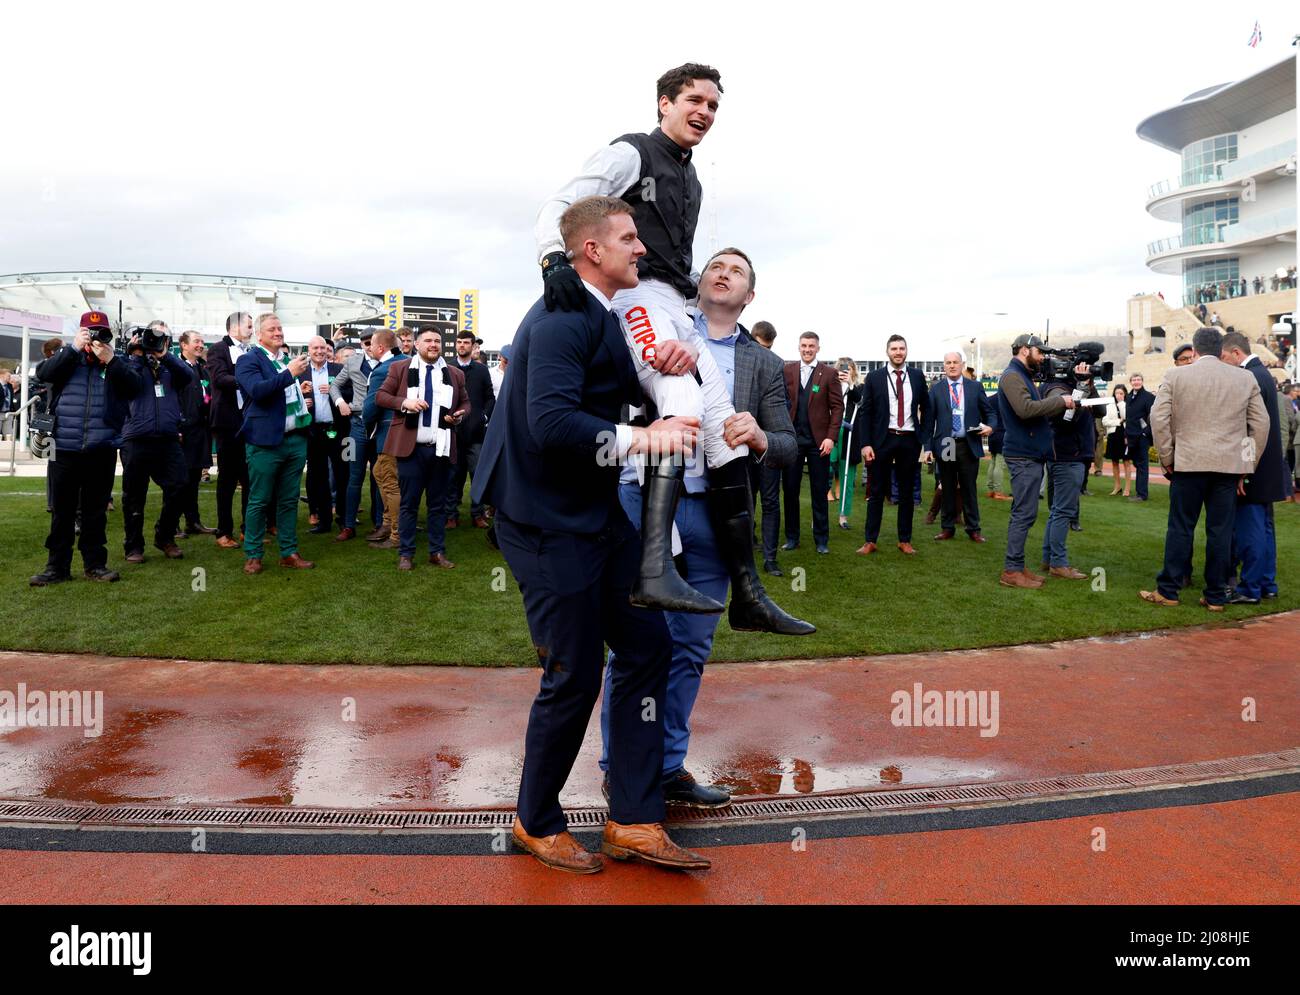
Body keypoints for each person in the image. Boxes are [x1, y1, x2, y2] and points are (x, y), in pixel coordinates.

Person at [473, 195, 710, 873]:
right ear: (592, 251)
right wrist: (644, 435)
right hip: (543, 522)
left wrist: (658, 375)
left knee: (647, 645)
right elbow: (552, 427)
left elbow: (596, 397)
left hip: (592, 514)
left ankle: (634, 818)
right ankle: (534, 818)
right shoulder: (557, 318)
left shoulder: (597, 314)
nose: (643, 249)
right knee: (573, 671)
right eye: (631, 239)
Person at [535, 63, 806, 632]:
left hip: (678, 306)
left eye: (713, 105)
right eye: (694, 100)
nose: (704, 112)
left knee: (724, 427)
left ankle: (748, 593)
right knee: (681, 405)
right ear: (664, 103)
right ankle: (654, 568)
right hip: (640, 299)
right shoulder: (632, 152)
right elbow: (566, 200)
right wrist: (553, 259)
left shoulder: (693, 178)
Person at [598, 245, 806, 812]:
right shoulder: (653, 325)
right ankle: (621, 765)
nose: (723, 272)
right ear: (699, 280)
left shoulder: (764, 363)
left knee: (690, 648)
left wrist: (760, 437)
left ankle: (667, 766)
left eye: (737, 270)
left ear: (750, 296)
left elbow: (790, 446)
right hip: (646, 498)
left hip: (720, 515)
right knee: (638, 643)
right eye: (717, 264)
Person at [1141, 327, 1268, 611]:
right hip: (1226, 468)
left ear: (1195, 350)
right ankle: (1215, 596)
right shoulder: (1244, 378)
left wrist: (1167, 457)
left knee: (1180, 528)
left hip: (1188, 464)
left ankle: (1169, 591)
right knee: (1220, 532)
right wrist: (1246, 466)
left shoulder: (1176, 375)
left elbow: (1158, 418)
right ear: (1220, 349)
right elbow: (1260, 426)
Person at [29, 313, 133, 586]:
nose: (96, 337)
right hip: (63, 446)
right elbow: (43, 373)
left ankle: (95, 564)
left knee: (95, 512)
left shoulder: (115, 362)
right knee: (62, 511)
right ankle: (57, 567)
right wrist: (74, 348)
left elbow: (135, 387)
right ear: (81, 332)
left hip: (102, 446)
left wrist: (111, 359)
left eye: (101, 332)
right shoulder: (67, 356)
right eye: (91, 331)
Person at [374, 328, 469, 570]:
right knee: (409, 503)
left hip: (441, 448)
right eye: (428, 340)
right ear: (416, 344)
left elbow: (465, 402)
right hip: (411, 449)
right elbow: (381, 397)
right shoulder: (400, 369)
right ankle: (406, 553)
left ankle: (436, 552)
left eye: (437, 341)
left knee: (438, 505)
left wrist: (459, 415)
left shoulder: (455, 374)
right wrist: (404, 402)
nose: (433, 345)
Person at [234, 314, 315, 573]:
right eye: (272, 329)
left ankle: (289, 552)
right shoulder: (248, 360)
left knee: (289, 500)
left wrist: (297, 390)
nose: (278, 332)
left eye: (280, 328)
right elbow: (258, 391)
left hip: (295, 439)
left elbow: (280, 392)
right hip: (265, 442)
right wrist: (290, 374)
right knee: (259, 500)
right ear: (259, 335)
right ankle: (254, 554)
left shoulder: (282, 361)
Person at [995, 334, 1074, 588]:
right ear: (1025, 350)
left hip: (1029, 454)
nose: (1043, 358)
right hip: (1023, 455)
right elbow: (1025, 409)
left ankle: (1017, 566)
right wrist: (1059, 401)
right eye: (1040, 353)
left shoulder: (1021, 375)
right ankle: (1011, 570)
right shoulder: (1012, 376)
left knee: (1025, 513)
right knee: (1023, 514)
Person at [1222, 331, 1288, 604]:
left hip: (1256, 468)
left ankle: (1250, 588)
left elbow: (1253, 429)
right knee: (1265, 529)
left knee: (1252, 530)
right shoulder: (1264, 375)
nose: (1223, 363)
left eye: (1224, 357)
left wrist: (1245, 469)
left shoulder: (1249, 377)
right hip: (1271, 467)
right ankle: (1266, 583)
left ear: (1236, 353)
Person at [119, 321, 193, 563]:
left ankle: (164, 535)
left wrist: (164, 356)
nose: (154, 341)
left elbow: (188, 376)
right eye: (151, 336)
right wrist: (137, 355)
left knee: (180, 485)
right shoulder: (129, 362)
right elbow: (127, 384)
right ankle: (133, 546)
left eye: (161, 337)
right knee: (134, 494)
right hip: (136, 437)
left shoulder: (171, 366)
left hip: (168, 438)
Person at [855, 334, 928, 556]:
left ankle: (904, 539)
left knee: (907, 493)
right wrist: (865, 443)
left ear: (907, 351)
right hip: (882, 439)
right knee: (876, 491)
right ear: (887, 351)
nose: (898, 352)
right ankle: (870, 540)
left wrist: (924, 439)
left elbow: (927, 407)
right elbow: (865, 413)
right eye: (894, 348)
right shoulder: (875, 378)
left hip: (908, 438)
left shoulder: (917, 376)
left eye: (902, 348)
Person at [781, 332, 844, 554]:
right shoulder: (787, 370)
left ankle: (821, 539)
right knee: (790, 491)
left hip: (819, 443)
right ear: (798, 347)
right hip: (792, 441)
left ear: (818, 348)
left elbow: (837, 407)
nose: (807, 349)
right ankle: (792, 537)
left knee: (819, 492)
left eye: (811, 346)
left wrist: (831, 437)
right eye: (804, 345)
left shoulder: (828, 373)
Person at [921, 351, 993, 543]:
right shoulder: (936, 389)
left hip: (968, 443)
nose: (952, 366)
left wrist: (990, 426)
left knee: (969, 488)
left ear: (962, 365)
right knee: (948, 488)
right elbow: (928, 421)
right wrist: (927, 447)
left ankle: (973, 529)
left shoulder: (975, 387)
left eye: (955, 362)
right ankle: (947, 528)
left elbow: (989, 413)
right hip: (946, 443)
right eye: (948, 363)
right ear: (943, 366)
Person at [330, 330, 388, 541]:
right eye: (365, 342)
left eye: (372, 342)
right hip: (356, 428)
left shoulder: (390, 363)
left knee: (380, 477)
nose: (368, 346)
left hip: (381, 428)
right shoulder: (353, 362)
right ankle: (348, 525)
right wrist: (340, 403)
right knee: (353, 477)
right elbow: (335, 385)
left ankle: (381, 523)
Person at [1039, 362, 1096, 578]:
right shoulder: (1058, 388)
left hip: (1068, 455)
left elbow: (1099, 410)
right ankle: (1058, 564)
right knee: (1063, 511)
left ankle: (1049, 559)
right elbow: (1067, 420)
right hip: (1067, 456)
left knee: (1057, 511)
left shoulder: (1072, 386)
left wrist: (1087, 384)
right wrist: (1081, 387)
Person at [207, 312, 253, 549]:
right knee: (227, 480)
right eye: (249, 325)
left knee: (249, 479)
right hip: (227, 423)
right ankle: (223, 532)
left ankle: (248, 529)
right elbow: (219, 379)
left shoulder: (250, 351)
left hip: (248, 422)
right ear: (234, 327)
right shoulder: (217, 349)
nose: (252, 330)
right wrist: (247, 380)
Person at [445, 328, 496, 530]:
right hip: (452, 432)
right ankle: (451, 515)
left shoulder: (482, 370)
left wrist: (483, 416)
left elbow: (490, 397)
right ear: (455, 344)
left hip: (476, 433)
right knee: (452, 476)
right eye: (459, 342)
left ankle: (477, 513)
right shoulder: (446, 367)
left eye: (466, 342)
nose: (462, 346)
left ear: (473, 346)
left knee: (477, 474)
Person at [361, 330, 405, 547]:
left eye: (372, 345)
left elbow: (371, 407)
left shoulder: (382, 370)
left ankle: (396, 534)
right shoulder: (406, 361)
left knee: (389, 482)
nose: (369, 349)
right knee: (380, 472)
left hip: (389, 434)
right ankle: (388, 523)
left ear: (380, 348)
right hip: (406, 433)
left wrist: (365, 425)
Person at [748, 321, 785, 574]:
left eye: (769, 348)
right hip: (740, 445)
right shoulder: (738, 364)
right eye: (762, 347)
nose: (765, 353)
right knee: (745, 500)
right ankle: (743, 549)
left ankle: (770, 558)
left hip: (768, 445)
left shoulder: (774, 366)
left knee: (771, 502)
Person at [302, 336, 348, 535]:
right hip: (314, 432)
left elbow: (353, 393)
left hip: (340, 431)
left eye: (323, 348)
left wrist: (335, 392)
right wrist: (303, 402)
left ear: (328, 350)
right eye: (315, 348)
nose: (320, 351)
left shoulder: (339, 370)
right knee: (318, 477)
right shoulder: (301, 372)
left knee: (343, 475)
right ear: (309, 350)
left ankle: (345, 520)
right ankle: (324, 520)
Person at [176, 331, 215, 537]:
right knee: (177, 480)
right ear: (183, 345)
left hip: (200, 431)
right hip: (182, 432)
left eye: (202, 341)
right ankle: (172, 524)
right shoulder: (175, 368)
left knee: (193, 480)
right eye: (196, 341)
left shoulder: (202, 369)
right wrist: (176, 427)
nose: (201, 345)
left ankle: (193, 522)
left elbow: (208, 397)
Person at [829, 358, 864, 530]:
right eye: (841, 368)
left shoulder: (858, 388)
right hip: (831, 433)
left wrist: (850, 385)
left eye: (848, 369)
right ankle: (818, 514)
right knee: (825, 472)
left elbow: (861, 403)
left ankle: (843, 516)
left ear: (853, 371)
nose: (844, 371)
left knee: (847, 478)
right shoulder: (831, 386)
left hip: (850, 436)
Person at [1123, 373, 1154, 501]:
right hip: (1131, 436)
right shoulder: (1129, 397)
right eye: (1134, 380)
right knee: (1137, 463)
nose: (1136, 382)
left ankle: (1141, 494)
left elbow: (1153, 416)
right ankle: (1140, 492)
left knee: (1142, 465)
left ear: (1142, 381)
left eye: (1139, 380)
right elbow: (1129, 418)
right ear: (1130, 382)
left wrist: (1145, 432)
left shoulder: (1148, 397)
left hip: (1142, 437)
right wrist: (1126, 434)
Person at [1102, 384, 1131, 496]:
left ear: (1125, 394)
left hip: (1124, 434)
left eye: (1121, 393)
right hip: (1113, 434)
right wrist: (1118, 421)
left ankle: (1127, 488)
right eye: (1116, 393)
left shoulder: (1127, 404)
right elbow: (1105, 421)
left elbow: (1127, 417)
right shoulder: (1109, 405)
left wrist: (1121, 403)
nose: (1118, 395)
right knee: (1114, 462)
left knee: (1126, 461)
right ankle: (1117, 486)